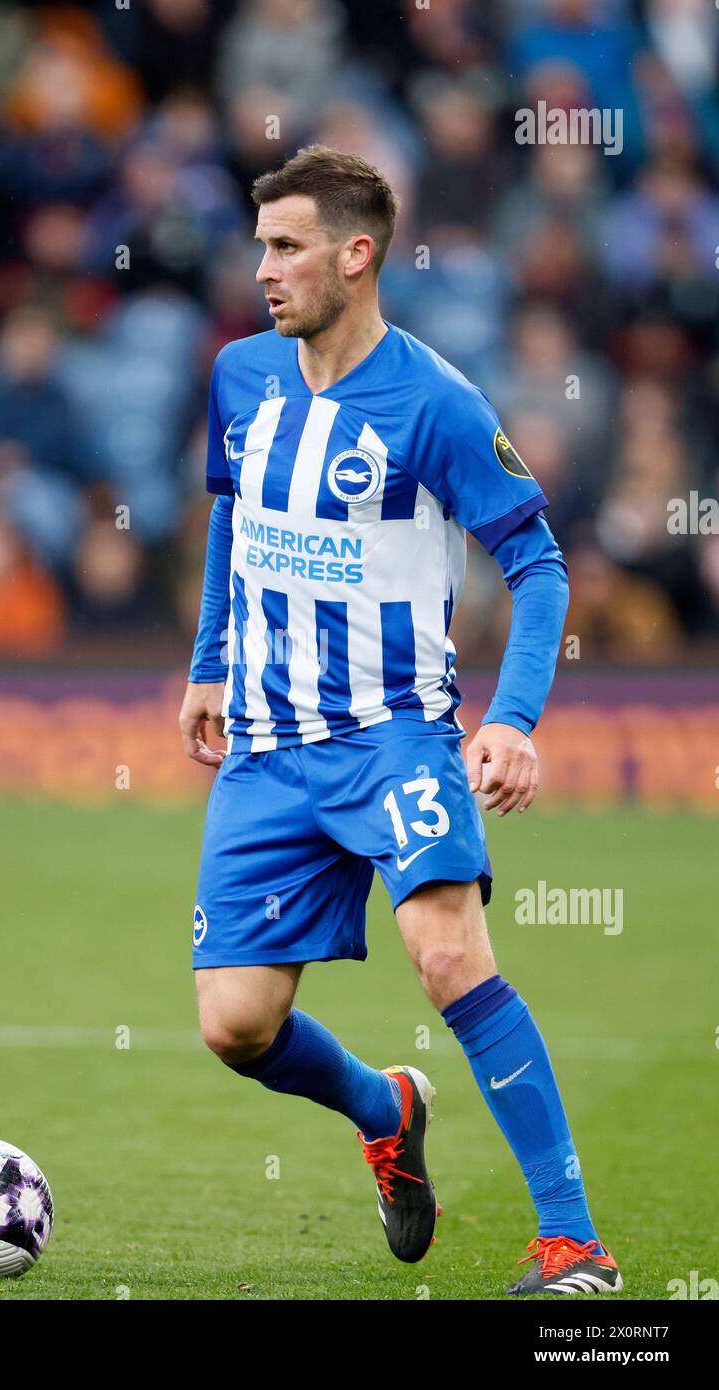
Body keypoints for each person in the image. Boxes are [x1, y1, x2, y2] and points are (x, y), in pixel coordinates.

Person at [179, 145, 620, 1296]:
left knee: (448, 957)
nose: (263, 268)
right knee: (234, 1026)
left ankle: (571, 1241)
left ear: (355, 254)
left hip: (393, 739)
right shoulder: (240, 376)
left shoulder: (435, 403)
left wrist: (512, 720)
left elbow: (536, 563)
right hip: (268, 751)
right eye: (260, 244)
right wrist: (210, 663)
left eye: (286, 246)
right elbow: (230, 515)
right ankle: (386, 1105)